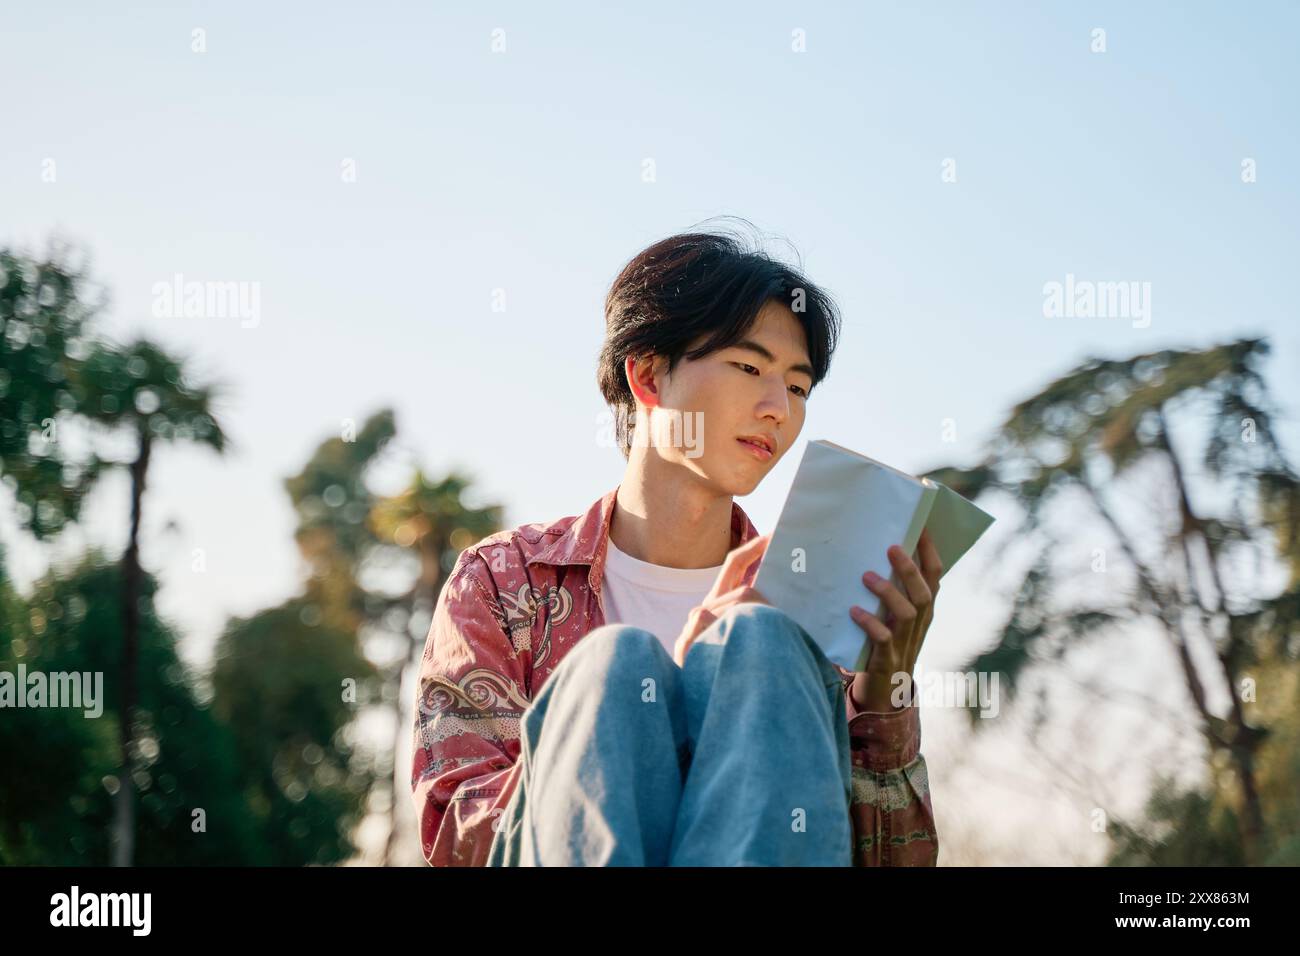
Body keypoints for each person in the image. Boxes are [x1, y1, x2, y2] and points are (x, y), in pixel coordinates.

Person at [411, 223, 942, 866]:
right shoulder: (504, 580)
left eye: (798, 387)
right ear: (647, 377)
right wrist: (668, 704)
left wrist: (881, 695)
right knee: (617, 667)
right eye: (749, 367)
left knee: (763, 644)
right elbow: (453, 834)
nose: (778, 407)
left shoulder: (809, 603)